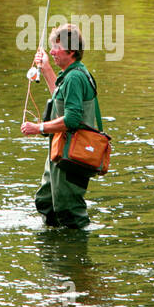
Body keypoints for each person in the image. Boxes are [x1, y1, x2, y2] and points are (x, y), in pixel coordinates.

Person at [20, 23, 102, 229]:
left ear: (71, 51)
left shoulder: (75, 77)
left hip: (72, 155)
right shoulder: (74, 74)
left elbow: (72, 120)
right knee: (46, 201)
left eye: (56, 48)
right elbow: (61, 98)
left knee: (68, 210)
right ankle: (53, 250)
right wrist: (46, 68)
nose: (52, 52)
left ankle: (76, 256)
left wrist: (38, 128)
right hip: (62, 152)